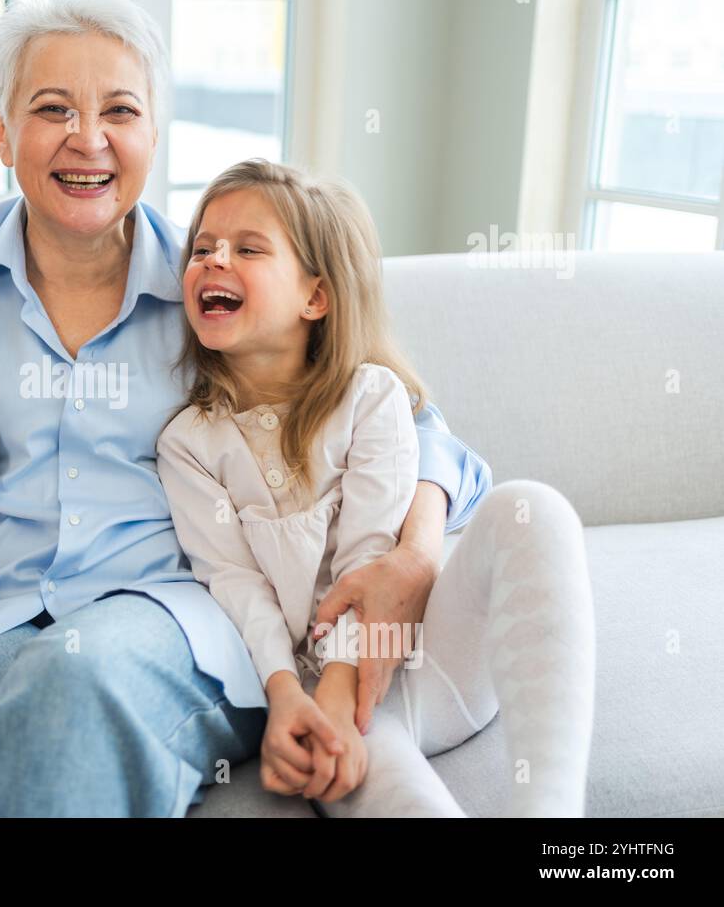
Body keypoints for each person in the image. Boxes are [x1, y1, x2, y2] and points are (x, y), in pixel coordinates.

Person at [0, 0, 525, 817]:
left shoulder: (214, 288)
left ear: (154, 136)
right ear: (1, 132)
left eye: (120, 112)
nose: (86, 140)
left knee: (76, 681)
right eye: (52, 109)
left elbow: (412, 426)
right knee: (32, 727)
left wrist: (413, 556)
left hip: (167, 626)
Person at [157, 160, 596, 816]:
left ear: (316, 297)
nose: (215, 260)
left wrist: (340, 686)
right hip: (328, 694)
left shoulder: (371, 397)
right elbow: (234, 585)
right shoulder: (189, 444)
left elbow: (368, 556)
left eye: (247, 248)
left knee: (533, 510)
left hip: (427, 655)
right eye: (201, 249)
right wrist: (293, 701)